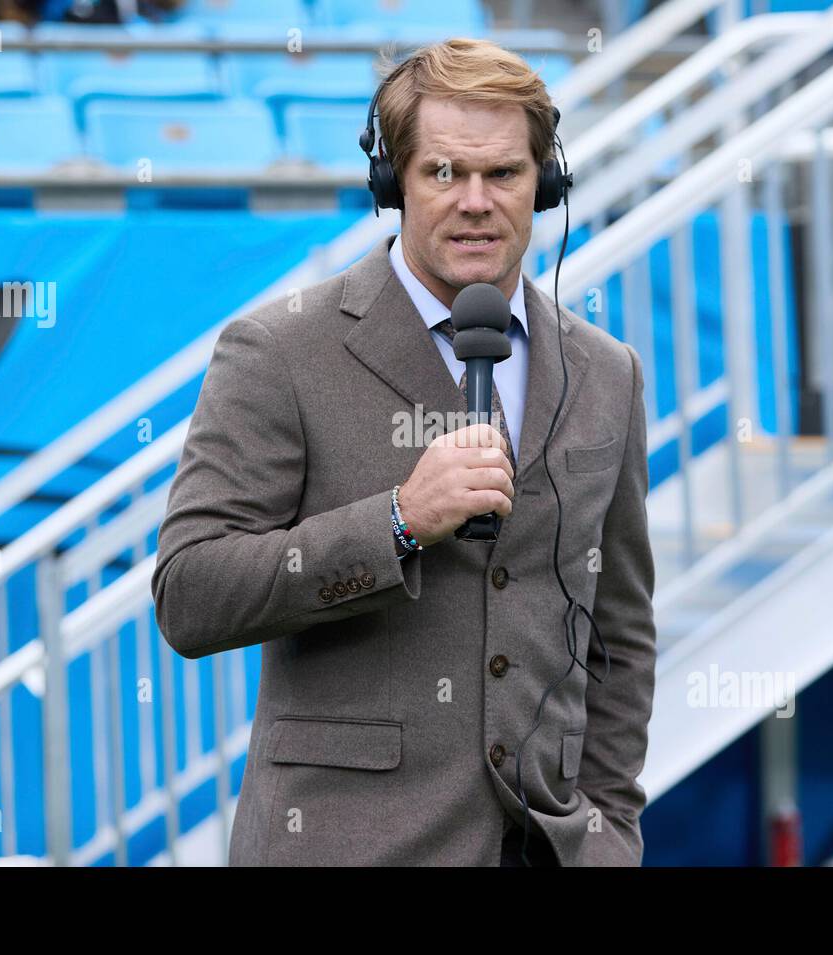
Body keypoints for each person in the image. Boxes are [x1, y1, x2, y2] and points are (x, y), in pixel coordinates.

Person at [151, 37, 656, 867]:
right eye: (444, 173)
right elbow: (190, 595)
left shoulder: (607, 372)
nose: (476, 202)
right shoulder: (279, 352)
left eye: (505, 174)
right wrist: (399, 521)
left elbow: (620, 635)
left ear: (547, 184)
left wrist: (607, 830)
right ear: (393, 184)